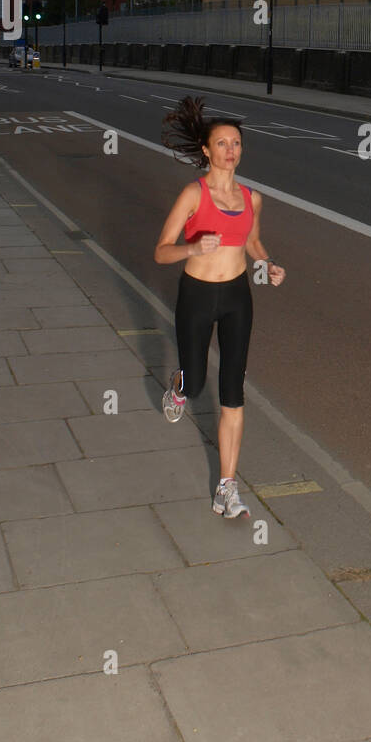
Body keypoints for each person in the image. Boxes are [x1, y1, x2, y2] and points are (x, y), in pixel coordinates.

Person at [154, 94, 285, 517]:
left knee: (233, 391)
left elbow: (251, 241)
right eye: (223, 144)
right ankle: (179, 385)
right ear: (207, 151)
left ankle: (226, 488)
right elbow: (160, 252)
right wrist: (191, 247)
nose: (231, 151)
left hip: (236, 299)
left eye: (237, 144)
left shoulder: (252, 199)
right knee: (196, 386)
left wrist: (268, 262)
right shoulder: (193, 195)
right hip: (196, 296)